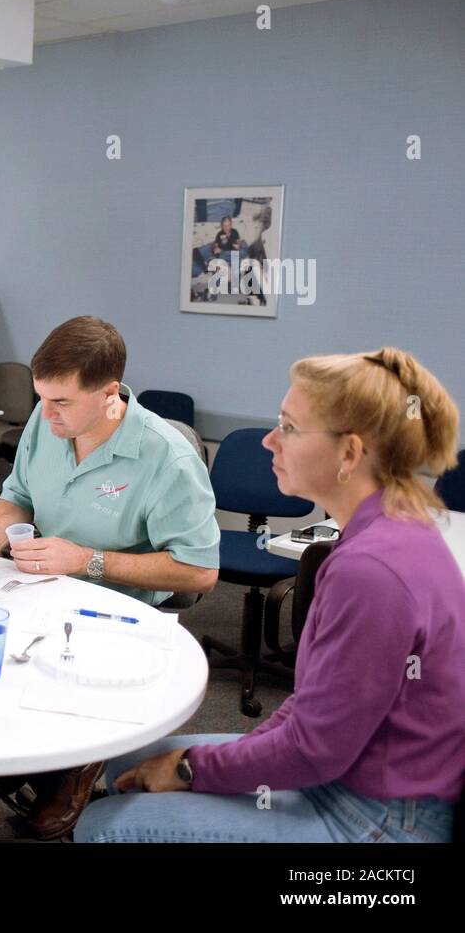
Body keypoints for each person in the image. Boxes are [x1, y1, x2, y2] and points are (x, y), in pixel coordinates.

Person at [76, 347, 464, 843]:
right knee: (130, 763)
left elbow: (314, 750)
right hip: (355, 775)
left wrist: (191, 770)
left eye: (289, 427)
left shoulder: (370, 571)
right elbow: (313, 705)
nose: (269, 440)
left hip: (378, 816)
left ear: (350, 453)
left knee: (106, 827)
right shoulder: (393, 525)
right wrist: (213, 763)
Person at [0, 316, 220, 839]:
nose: (46, 413)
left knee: (20, 732)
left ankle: (76, 767)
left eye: (61, 403)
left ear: (108, 395)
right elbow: (18, 497)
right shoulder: (45, 420)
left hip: (118, 616)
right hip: (38, 590)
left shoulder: (165, 458)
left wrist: (85, 560)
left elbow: (201, 571)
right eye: (42, 398)